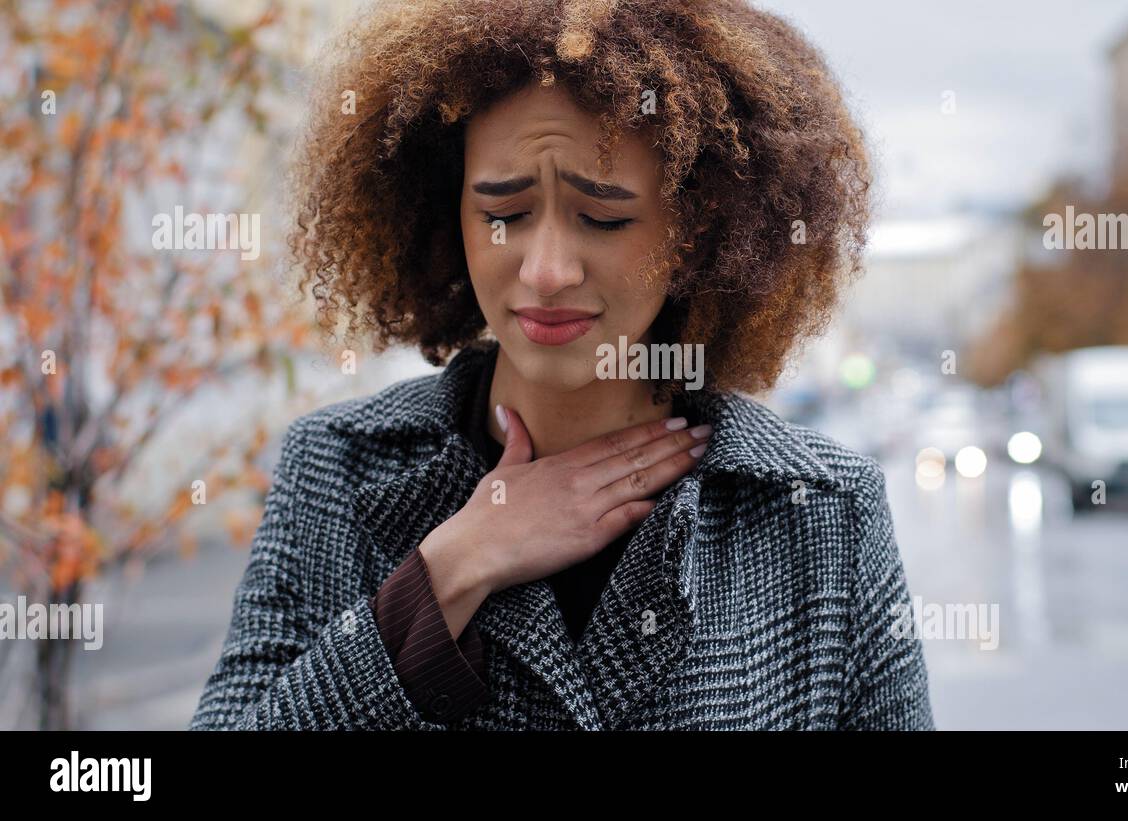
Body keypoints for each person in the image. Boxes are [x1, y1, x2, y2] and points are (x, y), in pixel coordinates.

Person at [190, 0, 935, 730]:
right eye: (503, 212)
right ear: (446, 211)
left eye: (603, 218)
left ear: (697, 227)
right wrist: (454, 566)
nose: (546, 271)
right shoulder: (339, 468)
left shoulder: (823, 510)